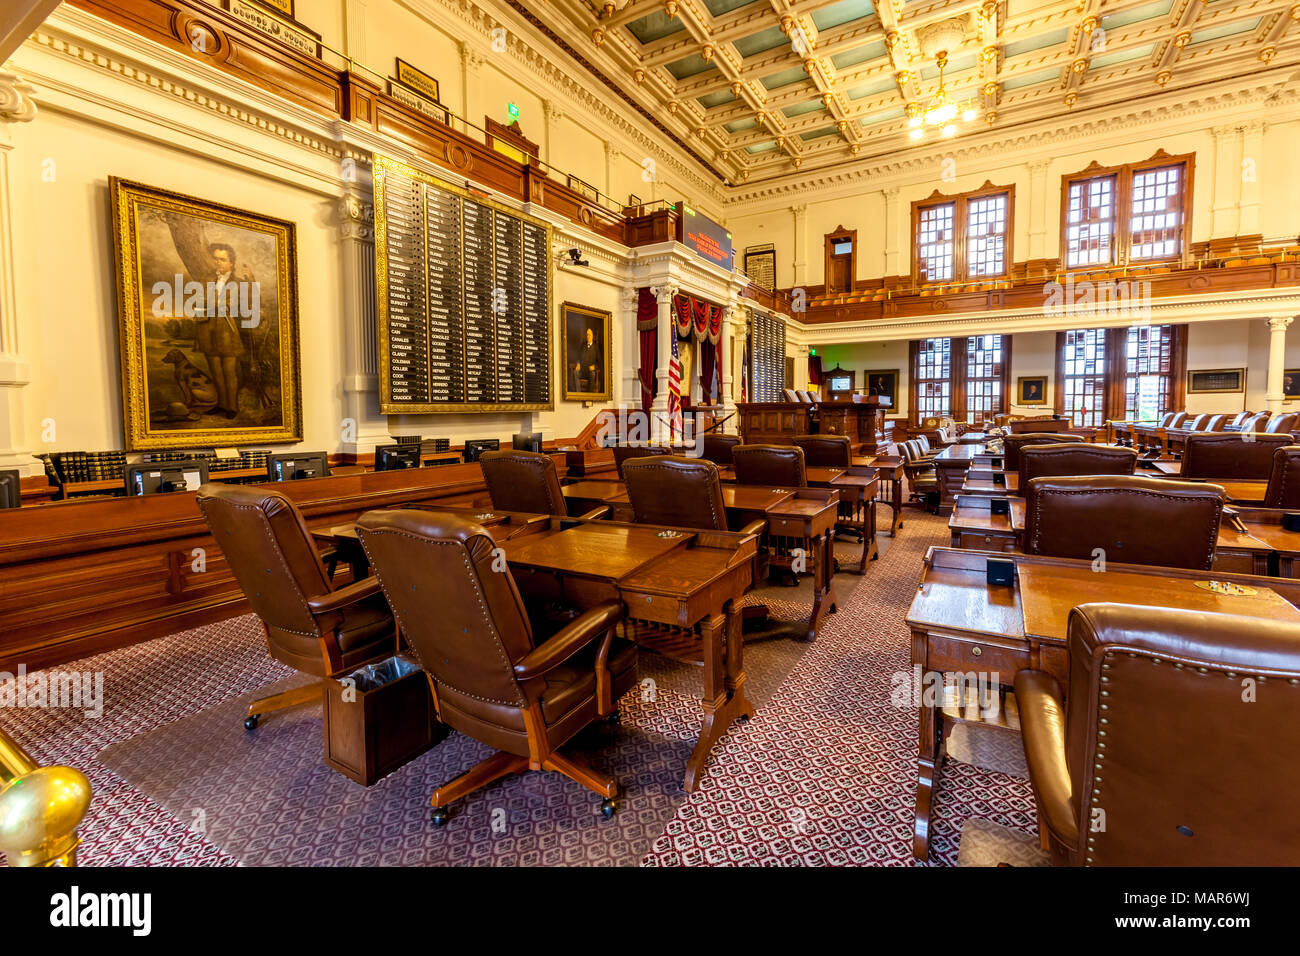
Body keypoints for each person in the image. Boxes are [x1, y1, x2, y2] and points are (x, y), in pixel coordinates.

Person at [194, 243, 250, 419]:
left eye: (222, 259)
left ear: (232, 263)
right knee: (216, 370)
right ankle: (222, 404)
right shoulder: (205, 280)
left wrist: (223, 305)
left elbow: (245, 306)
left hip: (228, 331)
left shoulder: (240, 284)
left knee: (229, 372)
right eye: (216, 258)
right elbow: (196, 302)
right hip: (207, 329)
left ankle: (232, 407)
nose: (218, 262)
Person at [572, 324, 601, 393]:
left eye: (589, 335)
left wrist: (594, 367)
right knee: (575, 372)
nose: (588, 336)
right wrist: (578, 363)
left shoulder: (596, 347)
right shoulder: (583, 345)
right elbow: (578, 357)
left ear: (592, 336)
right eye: (587, 335)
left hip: (590, 372)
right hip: (582, 371)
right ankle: (578, 393)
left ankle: (589, 394)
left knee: (593, 374)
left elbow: (599, 362)